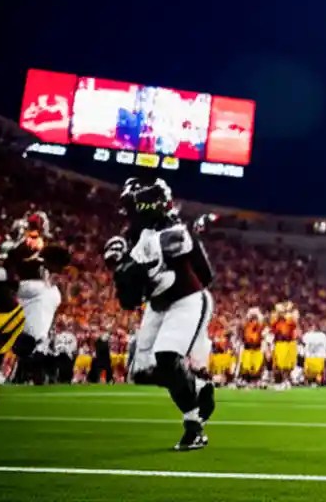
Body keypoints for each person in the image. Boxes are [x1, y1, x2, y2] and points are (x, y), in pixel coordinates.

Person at [103, 177, 217, 450]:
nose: (128, 213)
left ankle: (193, 426)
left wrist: (138, 270)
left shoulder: (171, 232)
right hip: (157, 304)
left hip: (185, 299)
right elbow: (129, 299)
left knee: (167, 357)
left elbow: (202, 272)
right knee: (142, 371)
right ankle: (198, 388)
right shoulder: (134, 236)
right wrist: (124, 274)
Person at [0, 211, 69, 414]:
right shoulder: (15, 248)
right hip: (25, 291)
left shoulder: (35, 243)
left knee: (23, 343)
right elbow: (8, 263)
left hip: (39, 293)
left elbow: (25, 253)